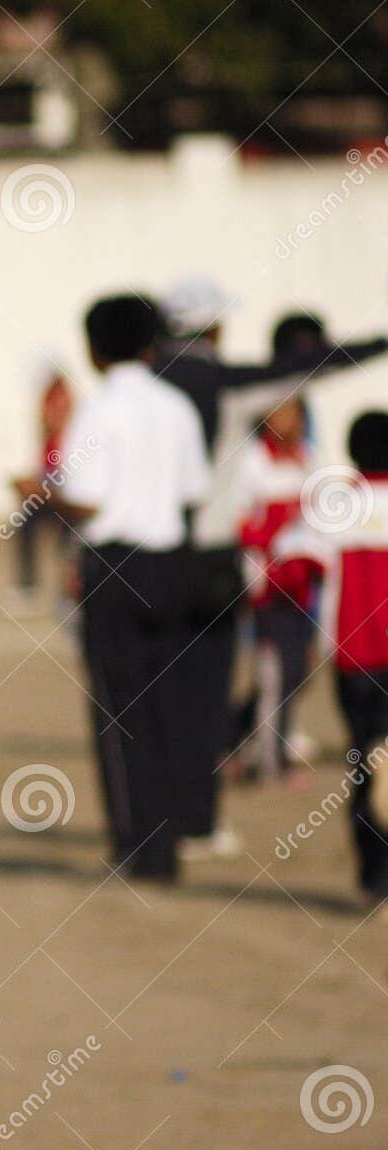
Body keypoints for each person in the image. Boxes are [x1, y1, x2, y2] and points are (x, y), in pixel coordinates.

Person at [151, 277, 388, 859]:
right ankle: (198, 822)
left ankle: (150, 827)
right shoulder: (228, 385)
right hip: (211, 561)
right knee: (207, 697)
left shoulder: (146, 383)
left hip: (143, 558)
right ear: (216, 329)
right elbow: (310, 370)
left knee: (155, 701)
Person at [43, 295, 211, 882]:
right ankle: (170, 841)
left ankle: (137, 846)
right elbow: (193, 490)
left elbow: (88, 498)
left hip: (115, 566)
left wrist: (39, 493)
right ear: (150, 344)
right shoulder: (178, 406)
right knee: (170, 707)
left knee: (120, 711)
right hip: (175, 564)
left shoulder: (99, 409)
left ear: (93, 348)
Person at [274, 411, 388, 907]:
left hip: (356, 660)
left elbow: (289, 563)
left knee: (364, 762)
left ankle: (374, 875)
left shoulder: (337, 502)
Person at [228, 394, 318, 784]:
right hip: (266, 585)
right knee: (274, 671)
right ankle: (271, 759)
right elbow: (239, 522)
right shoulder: (251, 464)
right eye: (283, 412)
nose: (290, 421)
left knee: (298, 669)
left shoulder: (309, 460)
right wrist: (277, 533)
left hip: (302, 585)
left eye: (296, 413)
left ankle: (233, 736)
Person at [11, 359, 75, 604]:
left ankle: (68, 587)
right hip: (50, 477)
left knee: (67, 536)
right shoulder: (51, 402)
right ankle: (29, 585)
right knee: (28, 526)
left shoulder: (65, 405)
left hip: (63, 481)